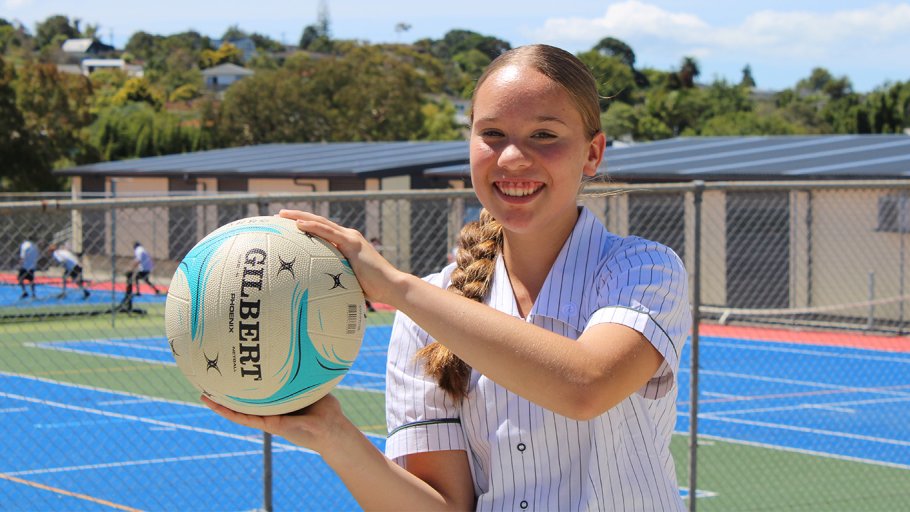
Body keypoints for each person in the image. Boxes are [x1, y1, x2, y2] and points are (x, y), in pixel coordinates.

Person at [203, 44, 691, 511]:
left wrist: (395, 286)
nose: (513, 158)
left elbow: (586, 385)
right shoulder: (428, 312)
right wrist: (332, 434)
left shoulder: (644, 269)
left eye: (545, 135)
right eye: (492, 134)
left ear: (593, 153)